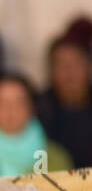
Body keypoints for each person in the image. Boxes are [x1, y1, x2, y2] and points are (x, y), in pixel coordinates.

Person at [0, 74, 73, 178]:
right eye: (2, 103)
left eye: (19, 103)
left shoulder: (55, 158)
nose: (11, 111)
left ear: (31, 108)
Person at [38, 32, 92, 169]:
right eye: (61, 65)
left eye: (76, 63)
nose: (69, 73)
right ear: (51, 71)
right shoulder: (38, 110)